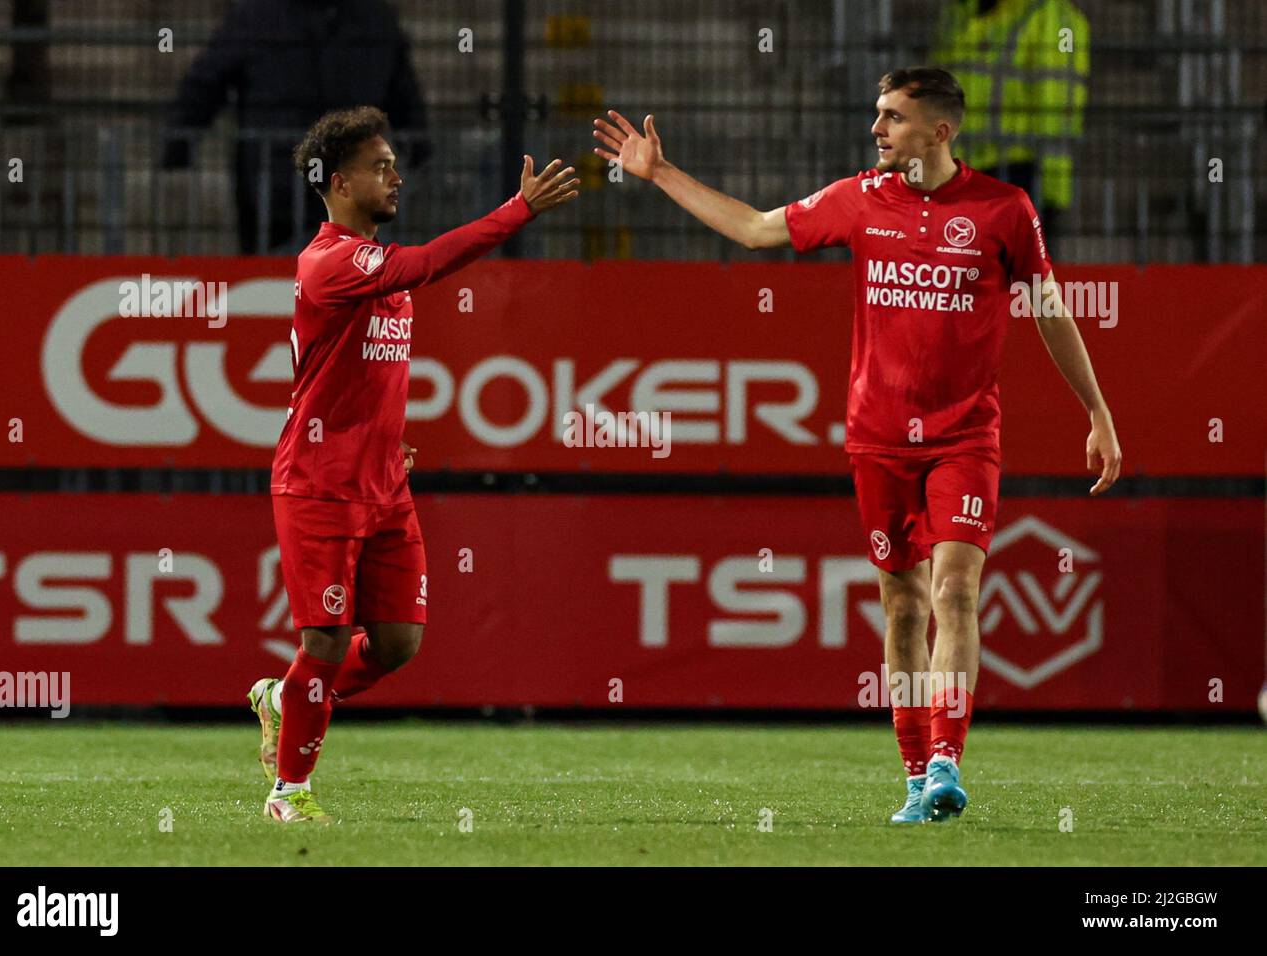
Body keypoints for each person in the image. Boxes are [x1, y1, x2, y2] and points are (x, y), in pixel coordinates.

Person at [592, 67, 1120, 823]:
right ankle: (914, 777)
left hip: (966, 436)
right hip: (876, 440)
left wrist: (1097, 412)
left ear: (941, 131)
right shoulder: (859, 200)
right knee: (903, 606)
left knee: (956, 589)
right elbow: (753, 227)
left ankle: (946, 761)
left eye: (892, 117)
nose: (876, 129)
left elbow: (1050, 310)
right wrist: (662, 172)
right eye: (877, 115)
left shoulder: (1004, 211)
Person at [248, 105, 579, 823]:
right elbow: (429, 264)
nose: (396, 175)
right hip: (319, 484)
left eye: (395, 163)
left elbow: (365, 370)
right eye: (379, 165)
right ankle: (289, 793)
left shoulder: (375, 270)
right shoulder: (332, 261)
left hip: (382, 482)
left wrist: (382, 437)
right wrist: (516, 212)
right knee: (327, 640)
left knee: (398, 642)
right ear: (338, 182)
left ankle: (287, 697)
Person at [162, 0, 434, 254]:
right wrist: (421, 151)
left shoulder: (256, 15)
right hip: (330, 182)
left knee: (275, 280)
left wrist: (177, 147)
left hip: (277, 179)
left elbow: (205, 84)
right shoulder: (375, 19)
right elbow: (405, 99)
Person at [931, 0, 1090, 245]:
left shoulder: (1051, 16)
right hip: (957, 171)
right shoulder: (957, 13)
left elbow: (1056, 104)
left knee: (1013, 278)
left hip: (1018, 169)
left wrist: (1048, 184)